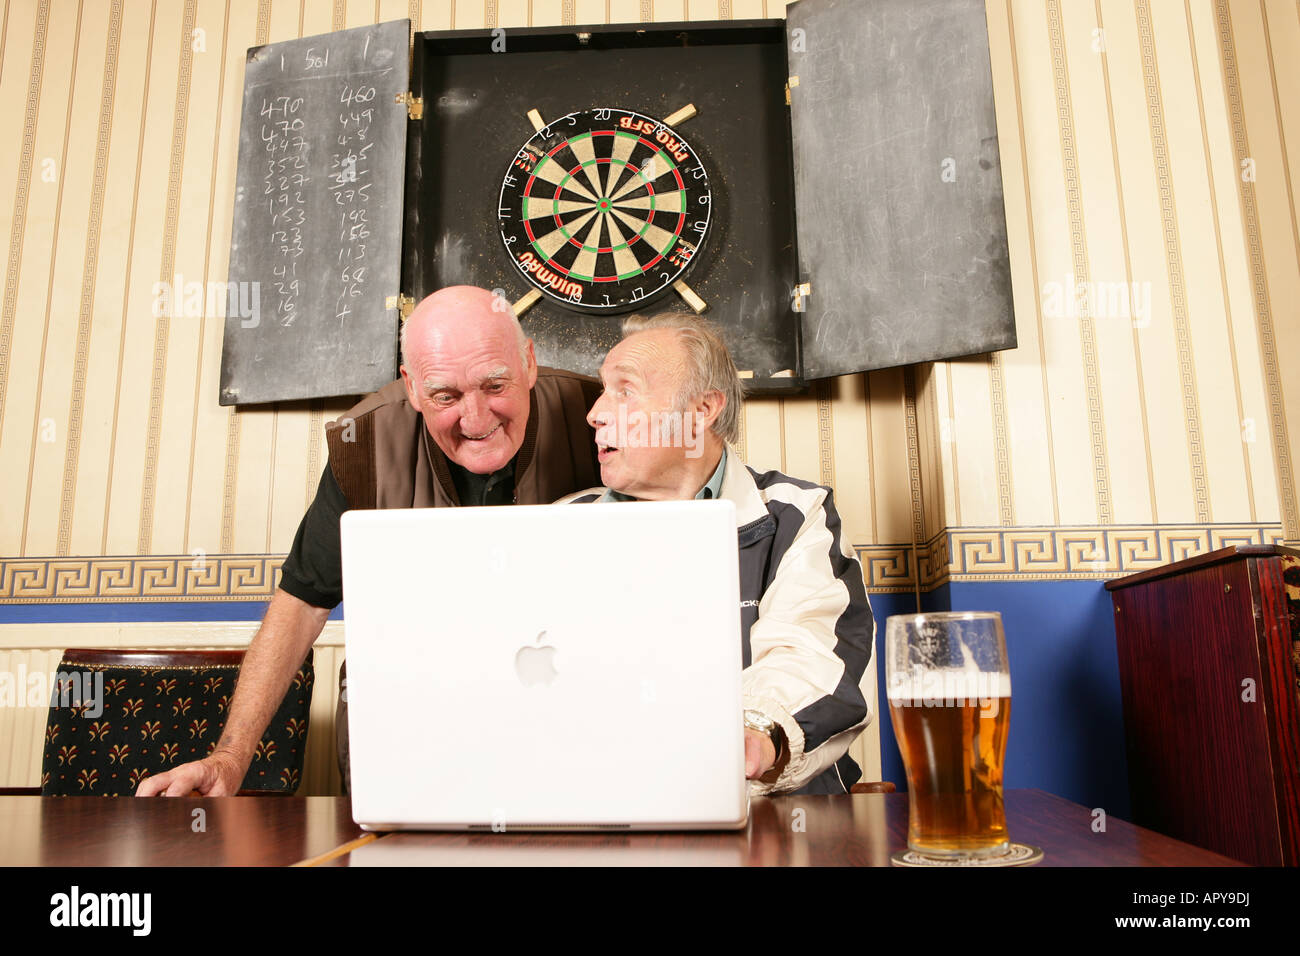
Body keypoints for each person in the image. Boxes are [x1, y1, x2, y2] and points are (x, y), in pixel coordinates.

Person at [138, 286, 601, 796]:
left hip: (563, 709)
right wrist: (229, 760)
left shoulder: (598, 416)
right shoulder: (365, 442)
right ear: (413, 388)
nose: (475, 419)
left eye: (495, 385)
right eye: (446, 396)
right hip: (408, 722)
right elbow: (302, 603)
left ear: (529, 363)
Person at [563, 312, 875, 795]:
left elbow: (809, 657)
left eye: (624, 391)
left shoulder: (797, 514)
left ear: (702, 409)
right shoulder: (563, 525)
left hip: (779, 824)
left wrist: (754, 733)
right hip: (608, 813)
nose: (596, 413)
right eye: (604, 391)